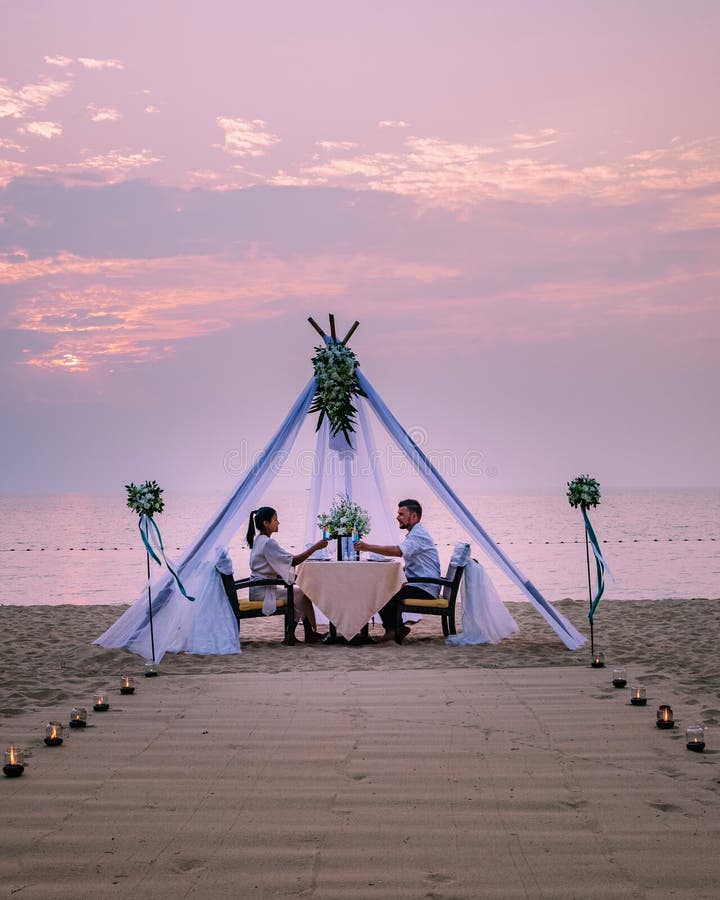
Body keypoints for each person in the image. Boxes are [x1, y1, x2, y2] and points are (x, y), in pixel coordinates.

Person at [354, 499, 441, 643]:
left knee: (383, 592)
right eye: (398, 513)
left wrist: (367, 547)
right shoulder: (416, 533)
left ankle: (393, 631)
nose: (397, 517)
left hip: (425, 588)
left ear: (413, 516)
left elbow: (398, 551)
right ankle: (396, 628)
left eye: (401, 514)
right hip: (422, 584)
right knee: (383, 588)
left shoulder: (418, 535)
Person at [246, 507, 328, 643]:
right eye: (275, 520)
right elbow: (292, 561)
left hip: (259, 587)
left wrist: (288, 577)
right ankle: (291, 634)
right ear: (266, 523)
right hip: (263, 591)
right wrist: (315, 547)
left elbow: (272, 565)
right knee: (300, 594)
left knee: (302, 592)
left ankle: (308, 633)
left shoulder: (259, 539)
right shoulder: (268, 543)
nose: (278, 523)